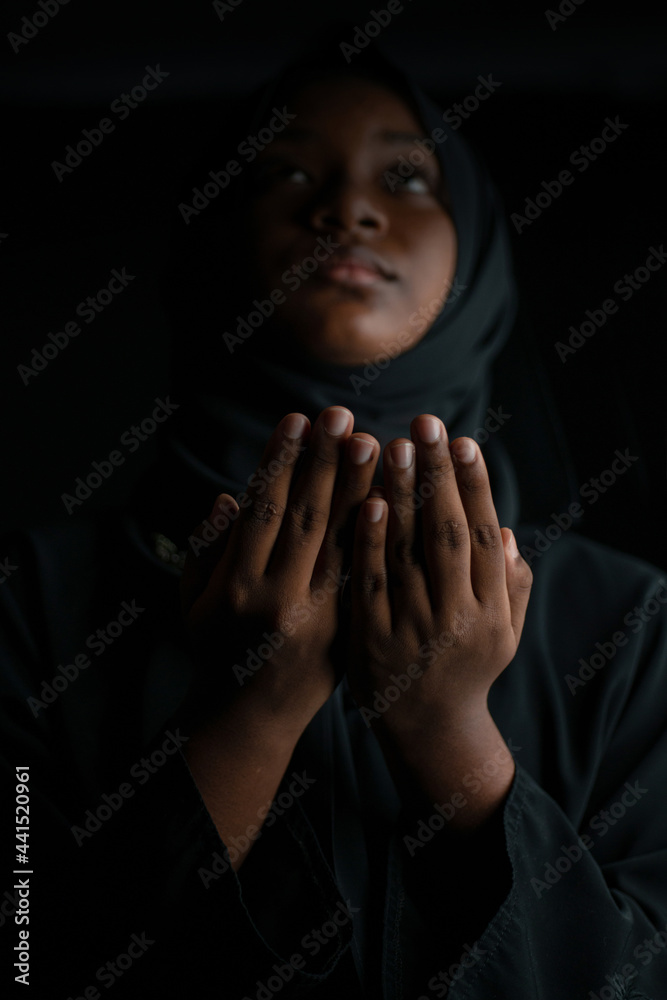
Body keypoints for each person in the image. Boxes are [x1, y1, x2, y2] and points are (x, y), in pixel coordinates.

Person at [2, 38, 667, 1000]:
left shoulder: (630, 625)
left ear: (475, 247)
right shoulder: (29, 601)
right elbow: (23, 956)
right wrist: (251, 712)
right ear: (208, 245)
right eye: (283, 171)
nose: (346, 209)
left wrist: (449, 735)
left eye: (405, 175)